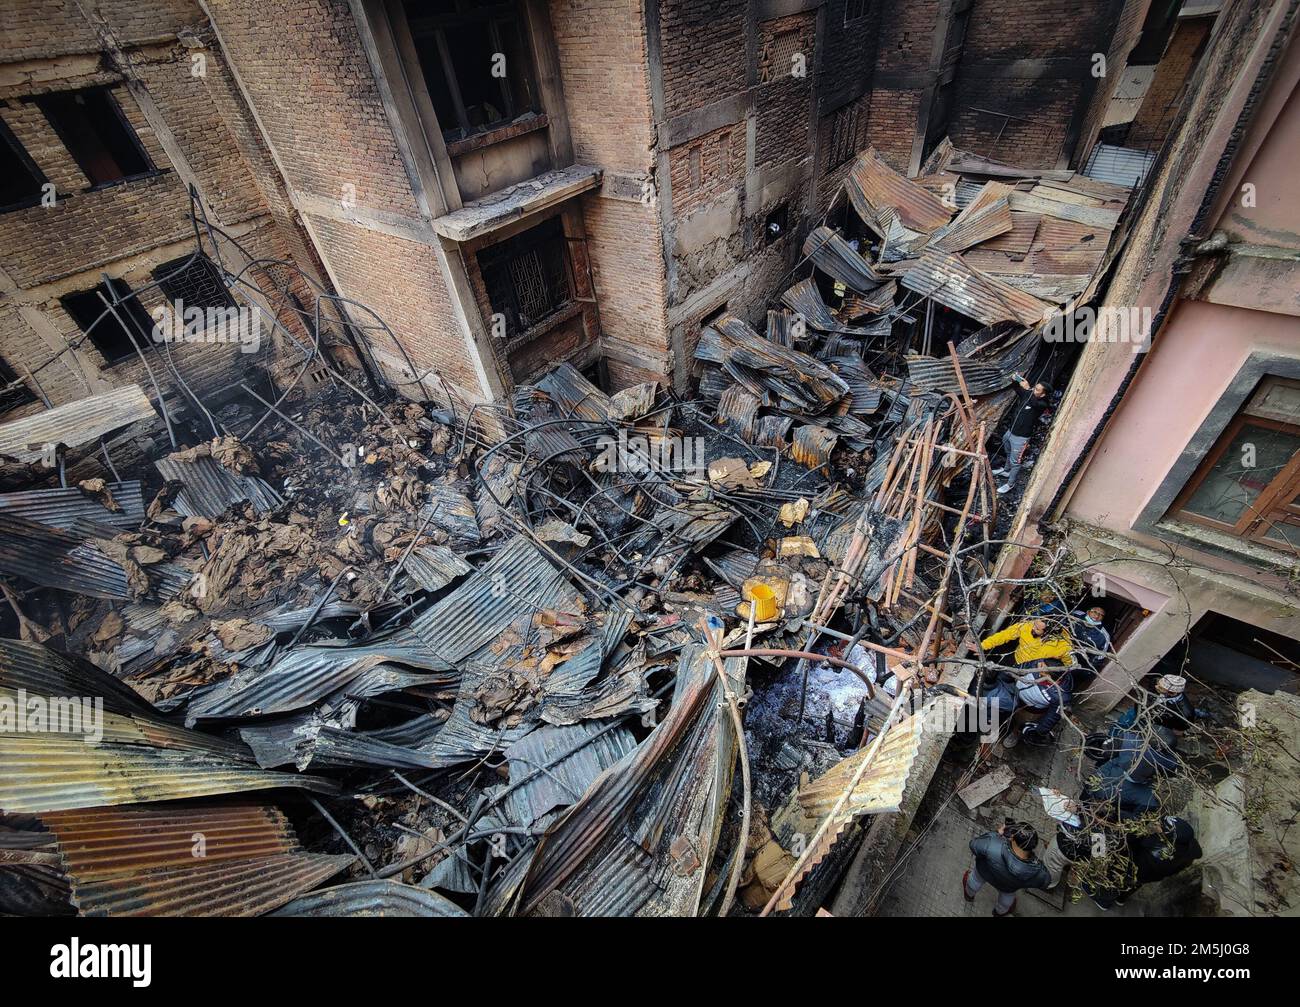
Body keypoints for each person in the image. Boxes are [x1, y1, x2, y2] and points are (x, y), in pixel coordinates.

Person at [1091, 816, 1203, 910]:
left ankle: (1103, 902)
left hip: (1136, 868)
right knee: (1134, 884)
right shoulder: (1185, 850)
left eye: (1162, 828)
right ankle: (1121, 898)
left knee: (1119, 879)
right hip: (1150, 876)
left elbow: (1131, 841)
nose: (1158, 825)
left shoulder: (1155, 847)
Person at [963, 821, 1051, 916]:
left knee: (975, 881)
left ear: (1012, 837)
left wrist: (996, 834)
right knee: (1006, 899)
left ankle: (969, 896)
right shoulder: (1038, 872)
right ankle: (999, 912)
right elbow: (1045, 882)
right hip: (1008, 887)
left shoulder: (993, 845)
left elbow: (973, 845)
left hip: (984, 871)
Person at [992, 374, 1052, 494]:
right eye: (1035, 387)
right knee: (1008, 452)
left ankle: (1010, 484)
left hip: (1021, 438)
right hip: (1010, 431)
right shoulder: (1029, 394)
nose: (1034, 390)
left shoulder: (1042, 404)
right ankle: (1006, 470)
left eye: (1037, 390)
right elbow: (1017, 389)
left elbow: (1033, 402)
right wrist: (1014, 380)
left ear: (1043, 394)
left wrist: (1028, 389)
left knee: (1016, 461)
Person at [979, 617, 1074, 667]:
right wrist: (983, 646)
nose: (1032, 628)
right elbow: (1004, 635)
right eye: (1034, 624)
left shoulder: (1064, 646)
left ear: (1048, 633)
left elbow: (1068, 665)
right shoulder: (1027, 625)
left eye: (1037, 629)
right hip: (1015, 659)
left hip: (1031, 674)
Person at [1067, 605, 1113, 689]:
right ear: (1088, 612)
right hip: (1060, 649)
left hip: (1076, 662)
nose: (1097, 616)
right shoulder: (1076, 614)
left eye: (1101, 615)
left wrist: (1086, 670)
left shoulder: (1103, 635)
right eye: (1094, 612)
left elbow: (1100, 656)